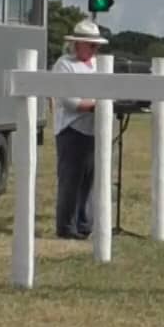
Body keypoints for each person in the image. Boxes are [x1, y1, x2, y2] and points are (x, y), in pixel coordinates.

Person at [52, 19, 108, 239]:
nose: (95, 49)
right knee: (71, 180)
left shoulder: (97, 65)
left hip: (93, 129)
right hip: (72, 129)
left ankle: (85, 223)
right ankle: (66, 226)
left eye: (96, 46)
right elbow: (69, 101)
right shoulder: (64, 64)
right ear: (78, 44)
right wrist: (96, 105)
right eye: (91, 45)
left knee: (89, 181)